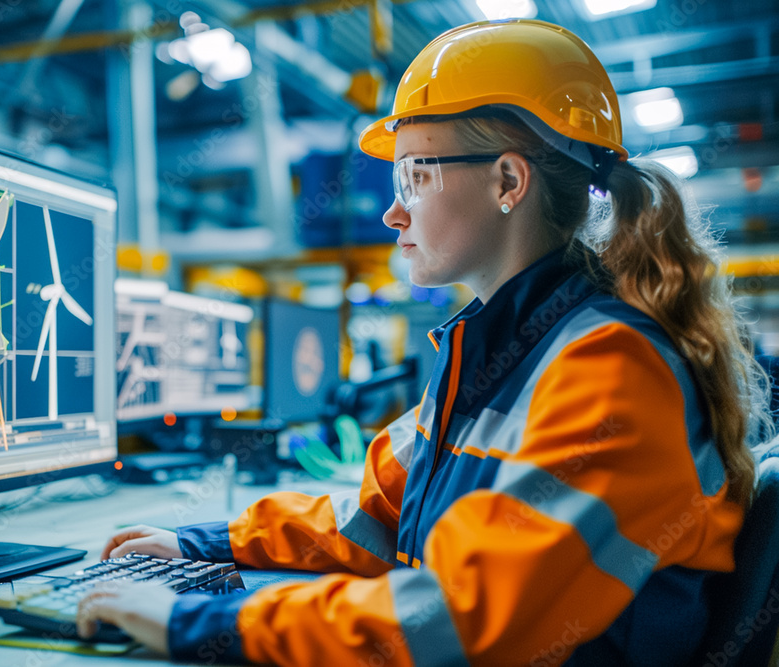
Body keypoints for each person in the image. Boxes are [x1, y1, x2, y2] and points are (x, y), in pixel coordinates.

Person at [77, 19, 774, 665]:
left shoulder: (609, 370)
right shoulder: (502, 352)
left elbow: (461, 617)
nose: (392, 209)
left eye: (415, 174)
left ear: (508, 179)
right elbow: (374, 516)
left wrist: (200, 621)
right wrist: (206, 543)